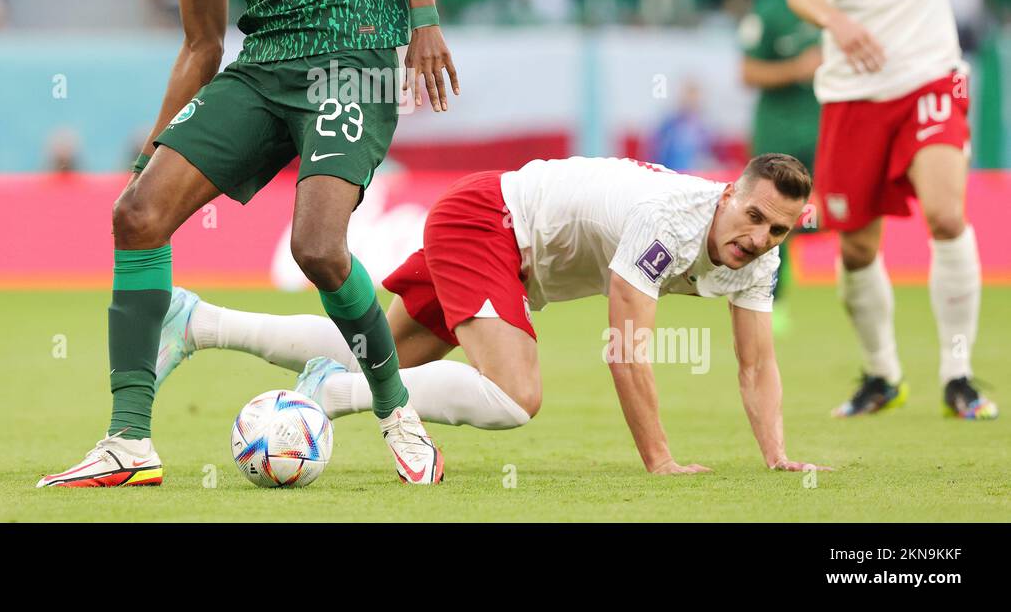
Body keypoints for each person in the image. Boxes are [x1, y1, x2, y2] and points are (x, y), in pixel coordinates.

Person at [40, 0, 459, 488]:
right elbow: (201, 43)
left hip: (352, 48)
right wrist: (151, 151)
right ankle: (129, 441)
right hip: (265, 64)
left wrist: (425, 22)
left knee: (318, 248)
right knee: (136, 215)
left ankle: (398, 413)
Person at [154, 154, 831, 476]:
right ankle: (332, 393)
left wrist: (777, 456)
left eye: (777, 229)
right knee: (517, 395)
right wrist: (661, 462)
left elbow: (756, 362)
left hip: (510, 251)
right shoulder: (671, 223)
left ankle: (196, 322)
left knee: (369, 344)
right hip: (490, 222)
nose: (760, 237)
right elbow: (626, 347)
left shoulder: (757, 258)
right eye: (752, 216)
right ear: (726, 195)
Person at [785, 0, 1011, 420]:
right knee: (855, 243)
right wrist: (836, 20)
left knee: (946, 214)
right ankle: (882, 374)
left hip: (929, 74)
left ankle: (959, 375)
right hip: (853, 91)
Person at [738, 0, 821, 308]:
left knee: (846, 207)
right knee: (770, 210)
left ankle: (858, 281)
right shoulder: (770, 9)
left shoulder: (841, 3)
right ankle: (771, 297)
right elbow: (747, 71)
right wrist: (796, 69)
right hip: (778, 131)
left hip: (826, 127)